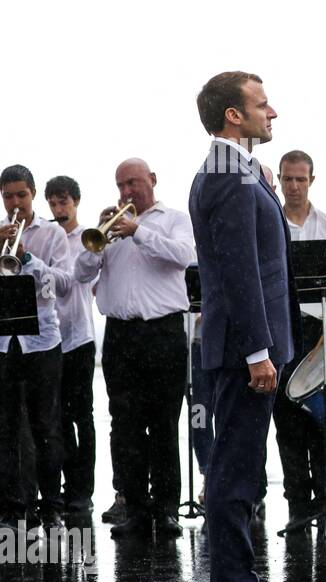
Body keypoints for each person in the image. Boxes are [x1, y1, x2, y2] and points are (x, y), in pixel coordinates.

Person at [190, 69, 306, 582]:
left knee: (240, 463)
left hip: (246, 344)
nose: (273, 112)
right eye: (262, 104)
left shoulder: (241, 171)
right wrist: (258, 351)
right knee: (235, 466)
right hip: (242, 349)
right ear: (233, 116)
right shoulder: (227, 176)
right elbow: (239, 269)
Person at [74, 158, 194, 538]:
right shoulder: (110, 229)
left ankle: (167, 510)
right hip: (121, 336)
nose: (126, 192)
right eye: (121, 185)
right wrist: (99, 241)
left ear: (152, 180)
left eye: (133, 183)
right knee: (125, 426)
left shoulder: (173, 219)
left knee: (163, 424)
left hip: (164, 333)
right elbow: (81, 274)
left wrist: (138, 230)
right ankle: (136, 509)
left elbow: (185, 257)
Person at [272, 150, 326, 523]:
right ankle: (296, 509)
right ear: (280, 179)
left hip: (321, 332)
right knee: (286, 423)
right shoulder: (270, 223)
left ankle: (324, 507)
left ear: (311, 181)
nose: (293, 186)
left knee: (321, 424)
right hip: (282, 330)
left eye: (300, 179)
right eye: (287, 179)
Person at [0, 165, 71, 529]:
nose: (15, 203)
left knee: (47, 426)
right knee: (6, 426)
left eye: (21, 195)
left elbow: (64, 284)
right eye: (8, 196)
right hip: (4, 341)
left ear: (32, 194)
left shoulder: (53, 233)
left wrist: (27, 259)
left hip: (43, 339)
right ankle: (12, 506)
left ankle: (53, 506)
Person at [45, 175, 98, 521]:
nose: (58, 208)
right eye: (52, 203)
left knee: (82, 415)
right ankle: (62, 487)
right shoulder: (46, 237)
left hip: (79, 335)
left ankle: (83, 490)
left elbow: (83, 282)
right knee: (55, 418)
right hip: (48, 338)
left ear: (76, 202)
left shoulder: (89, 238)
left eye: (64, 201)